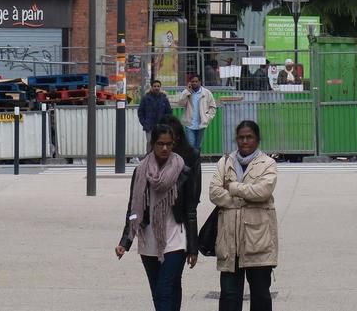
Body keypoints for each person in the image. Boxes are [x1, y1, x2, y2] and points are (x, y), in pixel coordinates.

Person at [116, 124, 200, 311]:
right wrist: (125, 241)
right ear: (152, 144)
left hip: (176, 239)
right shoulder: (141, 171)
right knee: (161, 291)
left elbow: (190, 211)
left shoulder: (183, 171)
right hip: (149, 240)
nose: (165, 148)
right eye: (160, 144)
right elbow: (133, 209)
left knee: (164, 289)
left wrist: (193, 248)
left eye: (169, 144)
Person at [210, 120, 278, 311]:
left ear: (257, 139)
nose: (245, 141)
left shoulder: (268, 163)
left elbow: (263, 191)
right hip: (229, 241)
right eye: (241, 137)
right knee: (229, 295)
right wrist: (246, 197)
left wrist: (232, 188)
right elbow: (214, 193)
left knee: (260, 294)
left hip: (258, 241)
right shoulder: (225, 162)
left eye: (249, 137)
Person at [171, 74, 217, 153]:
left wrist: (207, 117)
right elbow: (180, 103)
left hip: (201, 124)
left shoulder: (206, 93)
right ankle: (192, 160)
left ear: (200, 82)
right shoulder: (187, 92)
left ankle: (196, 160)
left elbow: (213, 107)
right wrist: (187, 92)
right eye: (192, 81)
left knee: (198, 146)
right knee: (191, 145)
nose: (194, 83)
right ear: (190, 82)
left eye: (196, 81)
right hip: (190, 124)